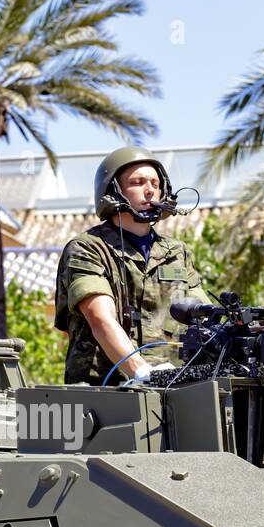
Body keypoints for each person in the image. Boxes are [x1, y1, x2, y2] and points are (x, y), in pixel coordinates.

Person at [53, 146, 214, 384]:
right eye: (137, 183)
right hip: (104, 391)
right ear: (113, 191)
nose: (149, 191)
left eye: (155, 184)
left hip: (174, 388)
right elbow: (100, 316)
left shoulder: (177, 253)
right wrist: (140, 370)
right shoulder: (88, 248)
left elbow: (203, 318)